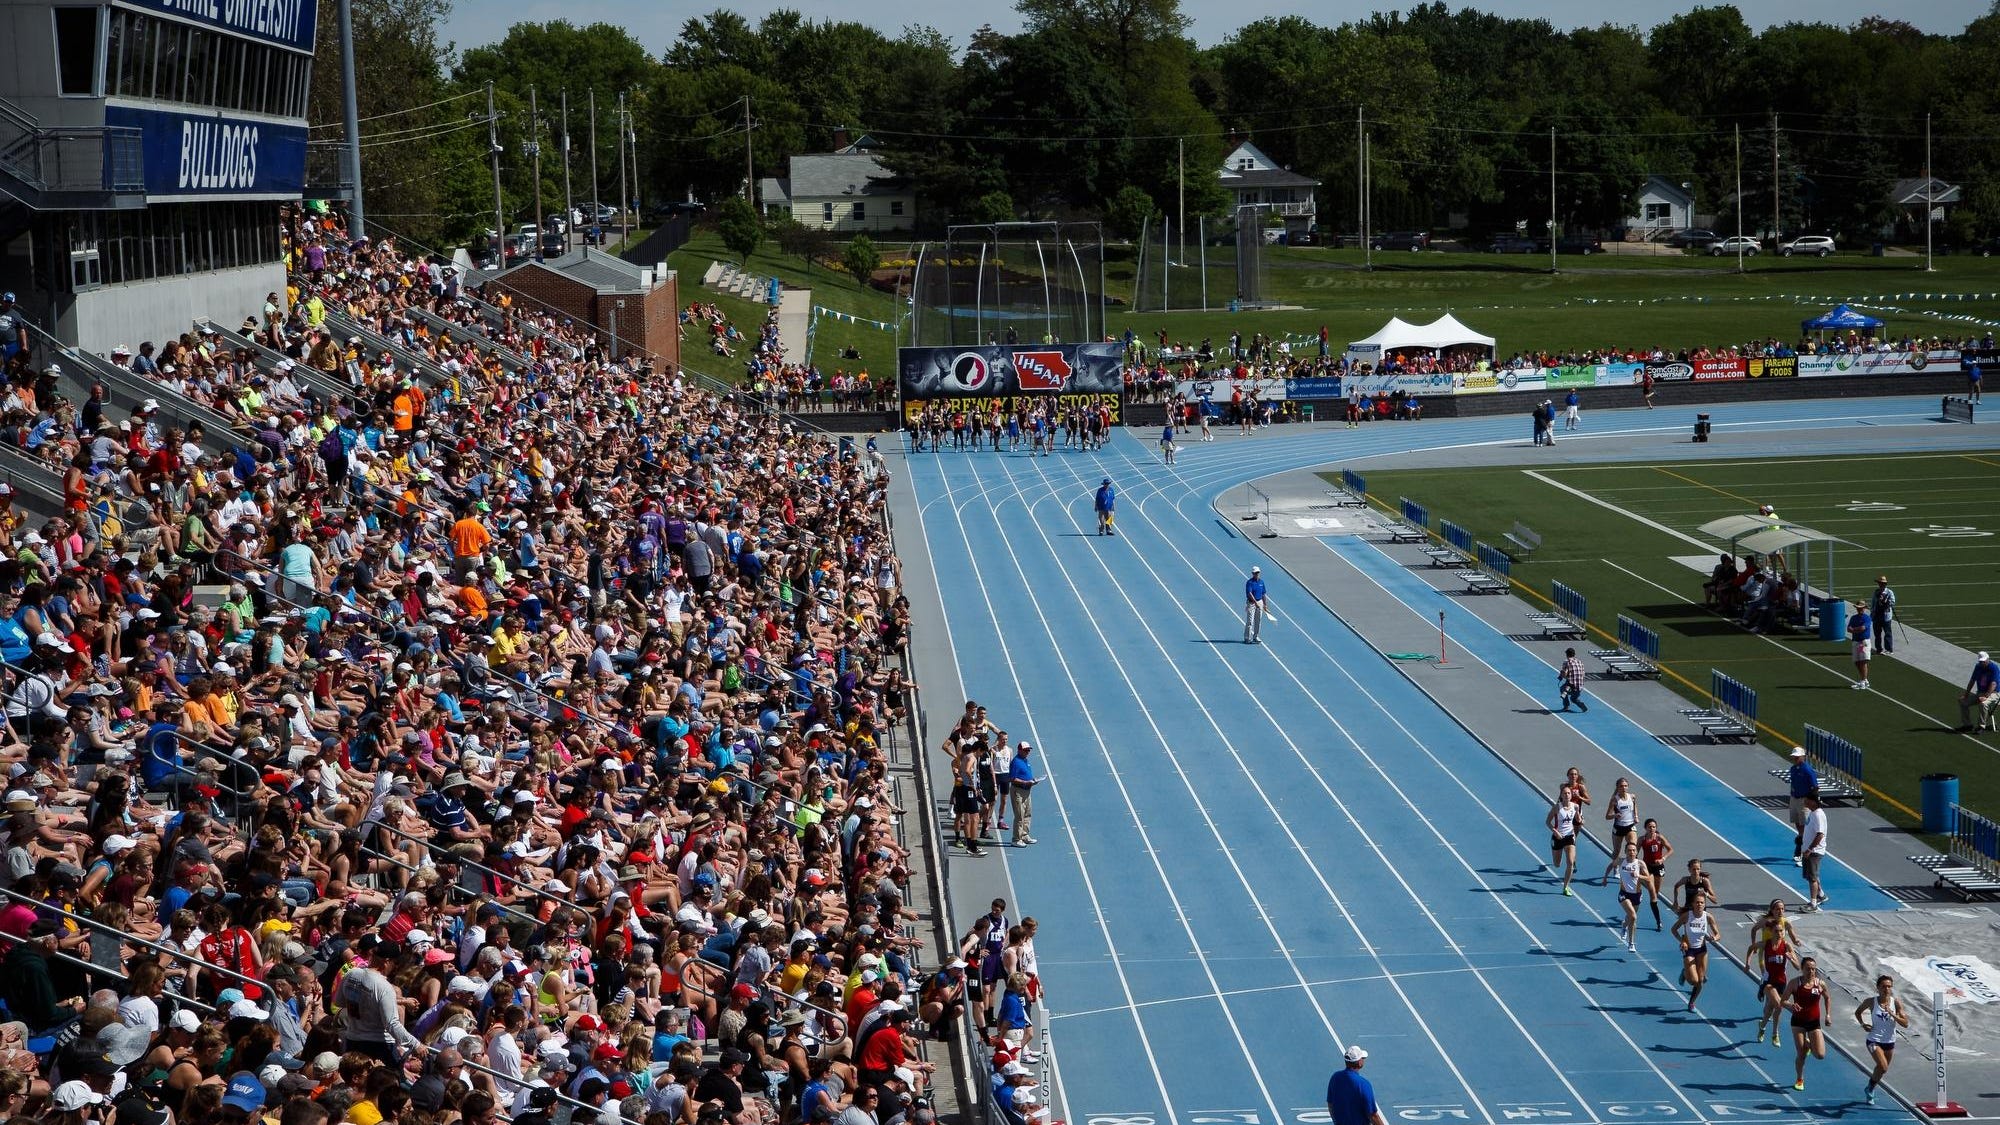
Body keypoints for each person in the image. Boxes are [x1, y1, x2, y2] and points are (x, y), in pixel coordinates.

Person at [1747, 903, 1799, 1047]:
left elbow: (1797, 967)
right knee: (1778, 1005)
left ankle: (1762, 1026)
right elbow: (1751, 948)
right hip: (1768, 981)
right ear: (1772, 931)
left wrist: (1791, 958)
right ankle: (1775, 1033)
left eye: (1781, 931)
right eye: (1777, 931)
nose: (1780, 934)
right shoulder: (1766, 944)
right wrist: (1747, 963)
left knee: (1769, 1010)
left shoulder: (1787, 946)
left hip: (1781, 981)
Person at [1857, 974, 1909, 1103]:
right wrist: (1863, 1024)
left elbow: (1905, 1023)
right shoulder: (1871, 1001)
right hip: (1874, 1040)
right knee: (1883, 1067)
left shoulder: (1895, 1002)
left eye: (1889, 987)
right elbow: (1858, 1012)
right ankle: (1870, 1088)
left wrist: (1892, 1014)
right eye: (1884, 987)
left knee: (1880, 1069)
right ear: (1878, 988)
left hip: (1889, 1041)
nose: (1887, 989)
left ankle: (1870, 1088)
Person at [1785, 956, 1829, 1091]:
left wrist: (1828, 1015)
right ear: (1802, 969)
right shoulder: (1794, 983)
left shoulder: (1820, 984)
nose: (1811, 972)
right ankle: (1799, 1079)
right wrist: (1791, 1006)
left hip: (1814, 1022)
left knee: (1820, 1055)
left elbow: (1827, 997)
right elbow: (1782, 1001)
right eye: (1808, 969)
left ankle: (1809, 1044)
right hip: (1798, 1022)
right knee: (1801, 1053)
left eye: (1813, 969)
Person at [1671, 888, 1714, 1011]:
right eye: (1697, 902)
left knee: (1700, 981)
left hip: (1702, 950)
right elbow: (1673, 930)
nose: (1699, 904)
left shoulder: (1708, 917)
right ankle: (1685, 973)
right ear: (1693, 904)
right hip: (1689, 949)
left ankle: (1691, 1003)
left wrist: (1714, 937)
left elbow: (1718, 934)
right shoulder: (1687, 916)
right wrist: (1682, 941)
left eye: (1702, 902)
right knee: (1693, 981)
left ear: (1704, 904)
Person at [1325, 1044, 1386, 1125]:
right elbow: (1373, 1115)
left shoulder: (1335, 1078)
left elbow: (1330, 1104)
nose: (1363, 1060)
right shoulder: (1364, 1084)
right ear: (1359, 1062)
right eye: (1362, 1058)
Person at [1610, 840, 1654, 954]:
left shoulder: (1640, 864)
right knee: (1633, 917)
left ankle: (1624, 925)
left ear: (1636, 852)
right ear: (1625, 851)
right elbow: (1612, 864)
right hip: (1624, 894)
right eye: (1629, 850)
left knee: (1630, 917)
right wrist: (1605, 878)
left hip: (1637, 895)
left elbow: (1649, 878)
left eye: (1634, 850)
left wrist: (1638, 875)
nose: (1631, 852)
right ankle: (1631, 943)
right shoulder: (1621, 861)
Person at [1636, 819, 1673, 930]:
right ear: (1645, 828)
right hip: (1647, 867)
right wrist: (1636, 863)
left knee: (1655, 893)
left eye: (1653, 827)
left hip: (1658, 867)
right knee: (1652, 893)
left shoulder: (1659, 838)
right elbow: (1635, 852)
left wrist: (1663, 858)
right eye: (1649, 827)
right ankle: (1658, 922)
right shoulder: (1642, 839)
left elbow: (1670, 849)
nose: (1652, 829)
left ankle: (1649, 897)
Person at [1599, 778, 1636, 886]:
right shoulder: (1615, 800)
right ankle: (1616, 867)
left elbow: (1635, 807)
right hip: (1619, 827)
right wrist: (1615, 815)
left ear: (1628, 787)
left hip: (1630, 826)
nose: (1623, 788)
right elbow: (1607, 816)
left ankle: (1632, 869)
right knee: (1617, 851)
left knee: (1632, 846)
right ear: (1617, 788)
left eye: (1625, 786)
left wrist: (1636, 816)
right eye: (1621, 786)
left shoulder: (1632, 796)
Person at [1786, 746, 1818, 865]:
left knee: (1804, 825)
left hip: (1804, 800)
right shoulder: (1793, 769)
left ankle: (1801, 850)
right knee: (1797, 822)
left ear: (1803, 757)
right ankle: (1801, 840)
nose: (1795, 758)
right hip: (1794, 798)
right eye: (1794, 757)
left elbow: (1815, 787)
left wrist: (1811, 800)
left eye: (1797, 757)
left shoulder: (1808, 770)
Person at [1546, 784, 1580, 896]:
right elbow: (1547, 822)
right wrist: (1555, 832)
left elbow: (1578, 820)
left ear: (1571, 795)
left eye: (1569, 793)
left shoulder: (1575, 807)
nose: (1567, 795)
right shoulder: (1557, 807)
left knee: (1570, 862)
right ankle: (1553, 850)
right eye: (1564, 793)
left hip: (1569, 837)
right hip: (1557, 837)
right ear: (1561, 795)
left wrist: (1581, 820)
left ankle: (1566, 887)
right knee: (1557, 864)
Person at [1799, 793, 1828, 911]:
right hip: (1809, 850)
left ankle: (1813, 904)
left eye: (1807, 800)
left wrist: (1810, 849)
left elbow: (1820, 834)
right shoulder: (1813, 813)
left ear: (1813, 801)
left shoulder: (1818, 815)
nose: (1805, 802)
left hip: (1814, 852)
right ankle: (1821, 895)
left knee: (1812, 878)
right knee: (1811, 875)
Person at [1007, 742, 1039, 847]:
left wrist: (1032, 780)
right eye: (1026, 750)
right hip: (1018, 791)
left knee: (1027, 814)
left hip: (1027, 790)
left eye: (1029, 750)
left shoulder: (1025, 760)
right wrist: (1025, 782)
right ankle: (1016, 839)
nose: (1028, 752)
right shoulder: (1016, 762)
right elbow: (1012, 778)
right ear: (1019, 750)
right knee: (1019, 815)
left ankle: (1024, 835)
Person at [1959, 651, 1998, 732]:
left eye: (1983, 661)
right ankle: (1967, 725)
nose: (1982, 663)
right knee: (1963, 702)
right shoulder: (1978, 667)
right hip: (1980, 693)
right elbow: (1972, 681)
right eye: (1981, 661)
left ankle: (1981, 726)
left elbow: (1993, 684)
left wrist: (1986, 696)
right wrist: (1966, 695)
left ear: (1988, 659)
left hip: (1994, 693)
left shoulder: (1994, 668)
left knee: (1983, 704)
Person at [1847, 601, 1872, 689]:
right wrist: (1855, 630)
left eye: (1861, 607)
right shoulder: (1854, 618)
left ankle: (1863, 681)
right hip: (1856, 641)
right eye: (1858, 607)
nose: (1859, 609)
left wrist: (1854, 629)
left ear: (1864, 608)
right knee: (1857, 661)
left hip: (1863, 642)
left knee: (1863, 661)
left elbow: (1863, 628)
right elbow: (1848, 629)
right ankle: (1864, 680)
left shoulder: (1867, 618)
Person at [1242, 565, 1269, 645]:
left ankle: (1255, 636)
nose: (1257, 574)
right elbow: (1250, 593)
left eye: (1258, 573)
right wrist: (1255, 602)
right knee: (1250, 621)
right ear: (1252, 573)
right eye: (1255, 573)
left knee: (1258, 620)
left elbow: (1263, 594)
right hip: (1251, 603)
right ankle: (1247, 637)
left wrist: (1265, 604)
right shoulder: (1249, 582)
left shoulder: (1261, 582)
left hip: (1259, 602)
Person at [1870, 575, 1897, 655]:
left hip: (1886, 615)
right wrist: (1872, 612)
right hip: (1877, 615)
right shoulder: (1876, 592)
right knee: (1877, 633)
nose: (1881, 585)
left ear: (1885, 584)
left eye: (1882, 583)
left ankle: (1889, 649)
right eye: (1880, 583)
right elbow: (1873, 603)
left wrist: (1885, 602)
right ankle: (1879, 649)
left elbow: (1892, 602)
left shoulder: (1889, 592)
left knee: (1887, 633)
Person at [1556, 648, 1587, 713]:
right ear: (1574, 654)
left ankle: (1566, 706)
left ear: (1566, 655)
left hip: (1571, 685)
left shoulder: (1566, 662)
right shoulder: (1580, 662)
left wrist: (1561, 676)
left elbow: (1564, 674)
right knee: (1573, 699)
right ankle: (1581, 704)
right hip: (1580, 686)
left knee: (1562, 689)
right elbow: (1583, 674)